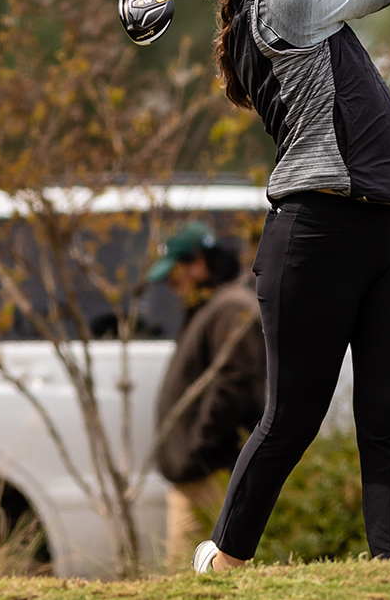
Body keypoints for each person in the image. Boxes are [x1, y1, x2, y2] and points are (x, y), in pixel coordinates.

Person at [187, 0, 390, 573]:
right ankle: (227, 557)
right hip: (318, 228)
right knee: (292, 416)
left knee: (387, 417)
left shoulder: (298, 2)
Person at [150, 222, 266, 568]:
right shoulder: (211, 307)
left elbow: (234, 382)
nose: (173, 286)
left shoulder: (230, 307)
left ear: (198, 264)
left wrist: (201, 446)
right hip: (197, 470)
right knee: (192, 571)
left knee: (190, 573)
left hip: (209, 471)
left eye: (175, 274)